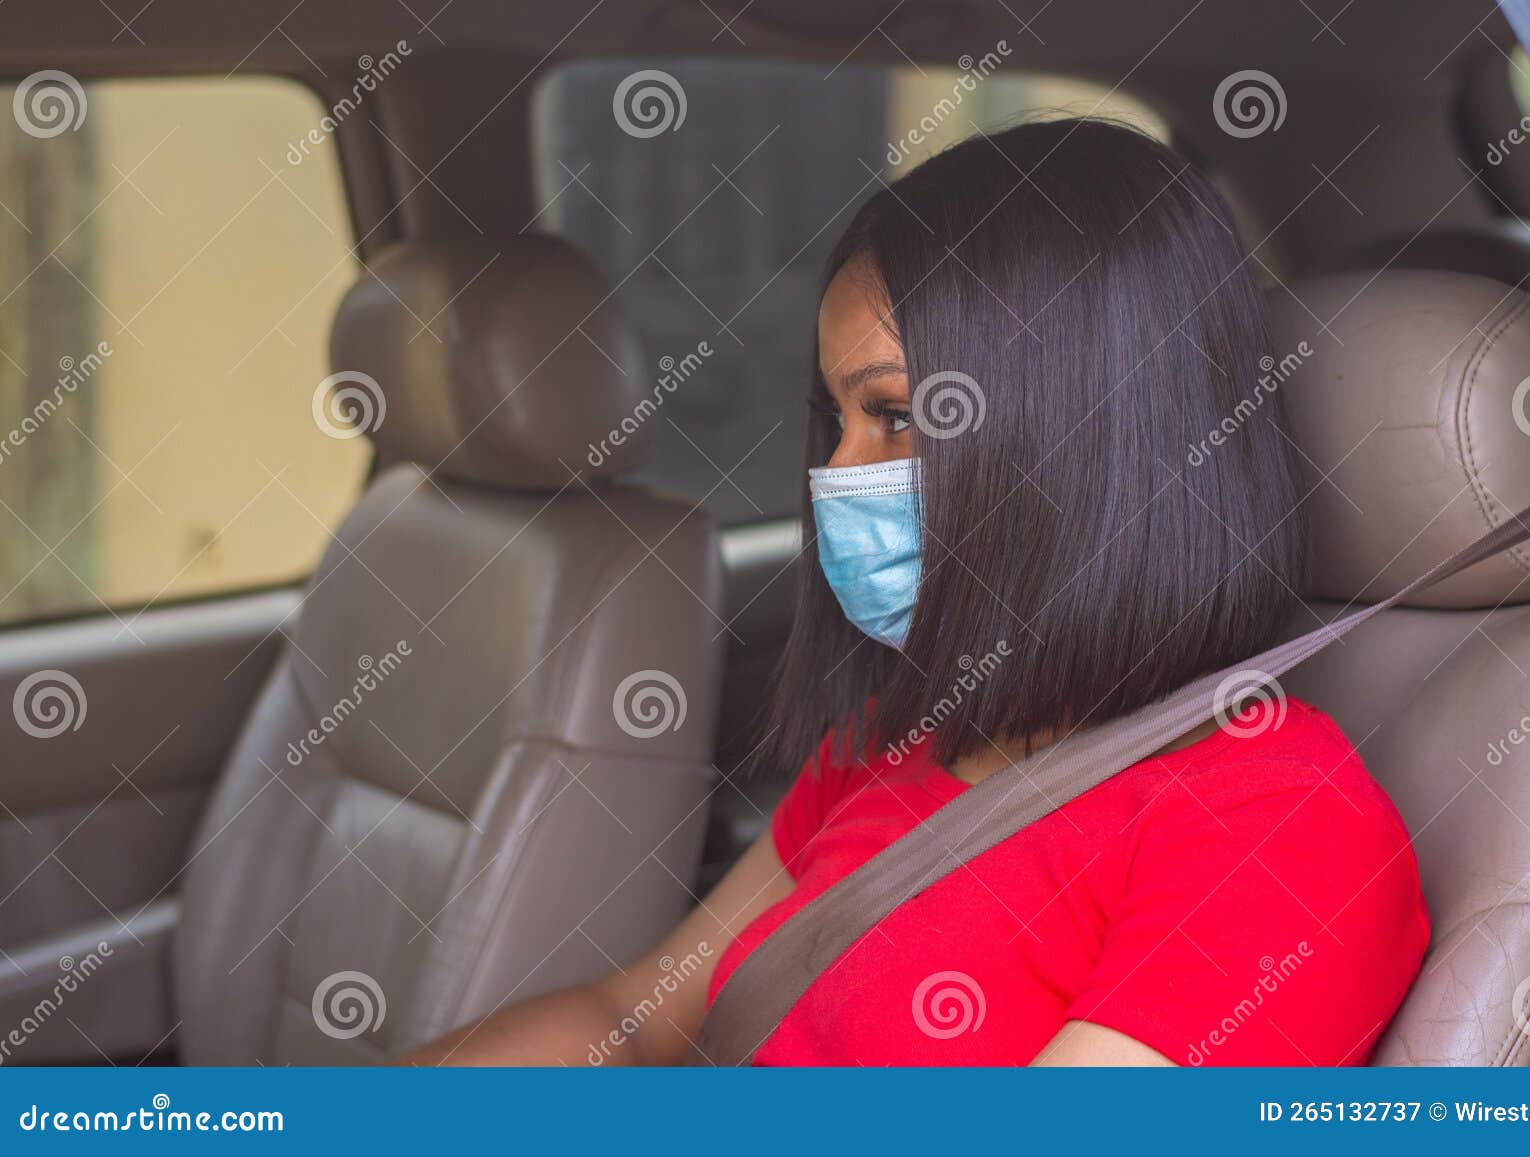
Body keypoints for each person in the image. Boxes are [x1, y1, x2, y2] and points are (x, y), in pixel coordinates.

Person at [404, 118, 1429, 1067]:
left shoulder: (1270, 823)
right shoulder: (889, 740)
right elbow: (630, 1018)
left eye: (894, 415)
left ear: (1088, 435)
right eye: (836, 418)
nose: (838, 473)